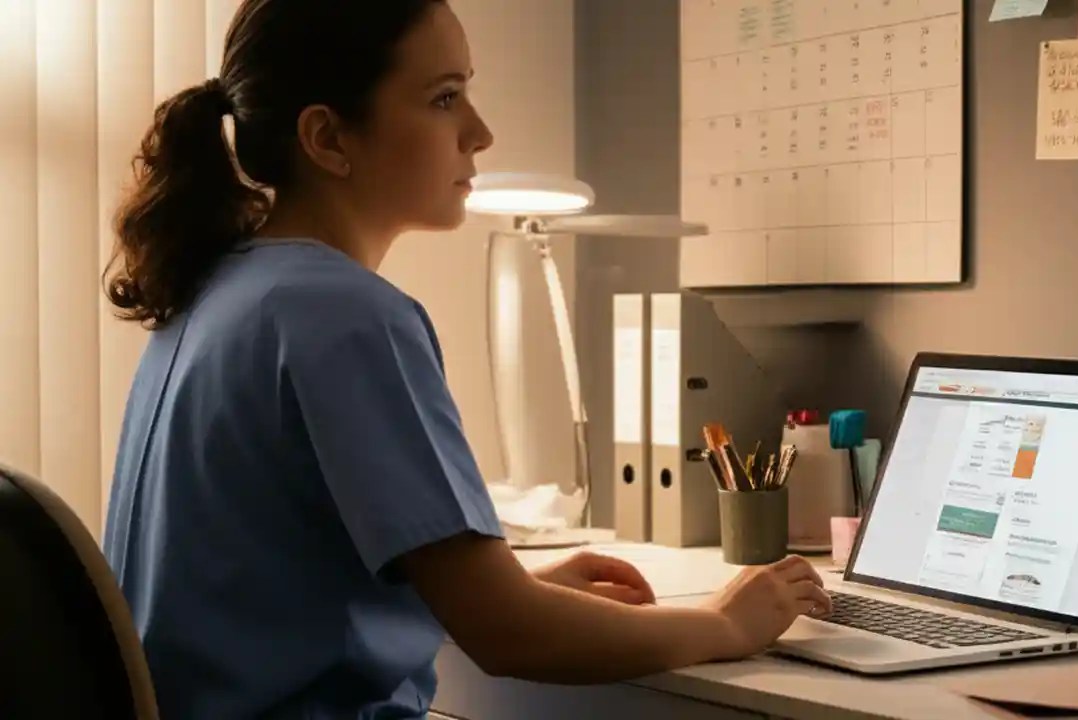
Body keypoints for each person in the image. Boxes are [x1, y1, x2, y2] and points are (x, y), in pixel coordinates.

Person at [101, 1, 833, 718]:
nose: (479, 133)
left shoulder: (219, 290)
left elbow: (281, 585)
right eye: (444, 98)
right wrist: (725, 624)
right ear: (328, 138)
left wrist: (507, 585)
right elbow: (509, 634)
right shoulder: (344, 316)